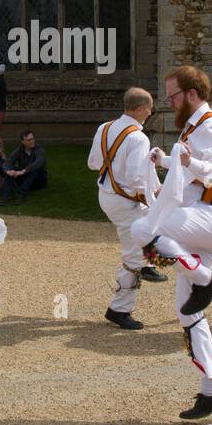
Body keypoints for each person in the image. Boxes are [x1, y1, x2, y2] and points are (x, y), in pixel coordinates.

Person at [137, 65, 212, 420]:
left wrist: (189, 160)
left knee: (143, 230)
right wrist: (165, 160)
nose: (169, 102)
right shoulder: (195, 126)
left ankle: (208, 279)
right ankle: (211, 391)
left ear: (192, 94)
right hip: (203, 218)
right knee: (188, 311)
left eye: (173, 96)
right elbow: (192, 171)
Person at [90, 87, 163, 332]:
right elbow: (134, 178)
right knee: (133, 255)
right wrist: (152, 193)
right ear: (141, 109)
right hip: (126, 201)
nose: (151, 112)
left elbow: (93, 163)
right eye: (150, 108)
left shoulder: (105, 128)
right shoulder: (138, 138)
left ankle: (149, 262)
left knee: (150, 230)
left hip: (106, 194)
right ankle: (119, 310)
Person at [1, 130, 47, 203]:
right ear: (23, 142)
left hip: (38, 181)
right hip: (25, 178)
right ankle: (6, 196)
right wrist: (8, 171)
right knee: (8, 169)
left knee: (35, 169)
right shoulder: (19, 150)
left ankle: (21, 194)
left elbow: (39, 162)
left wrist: (23, 171)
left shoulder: (39, 149)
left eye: (32, 139)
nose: (32, 141)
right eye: (29, 140)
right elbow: (8, 162)